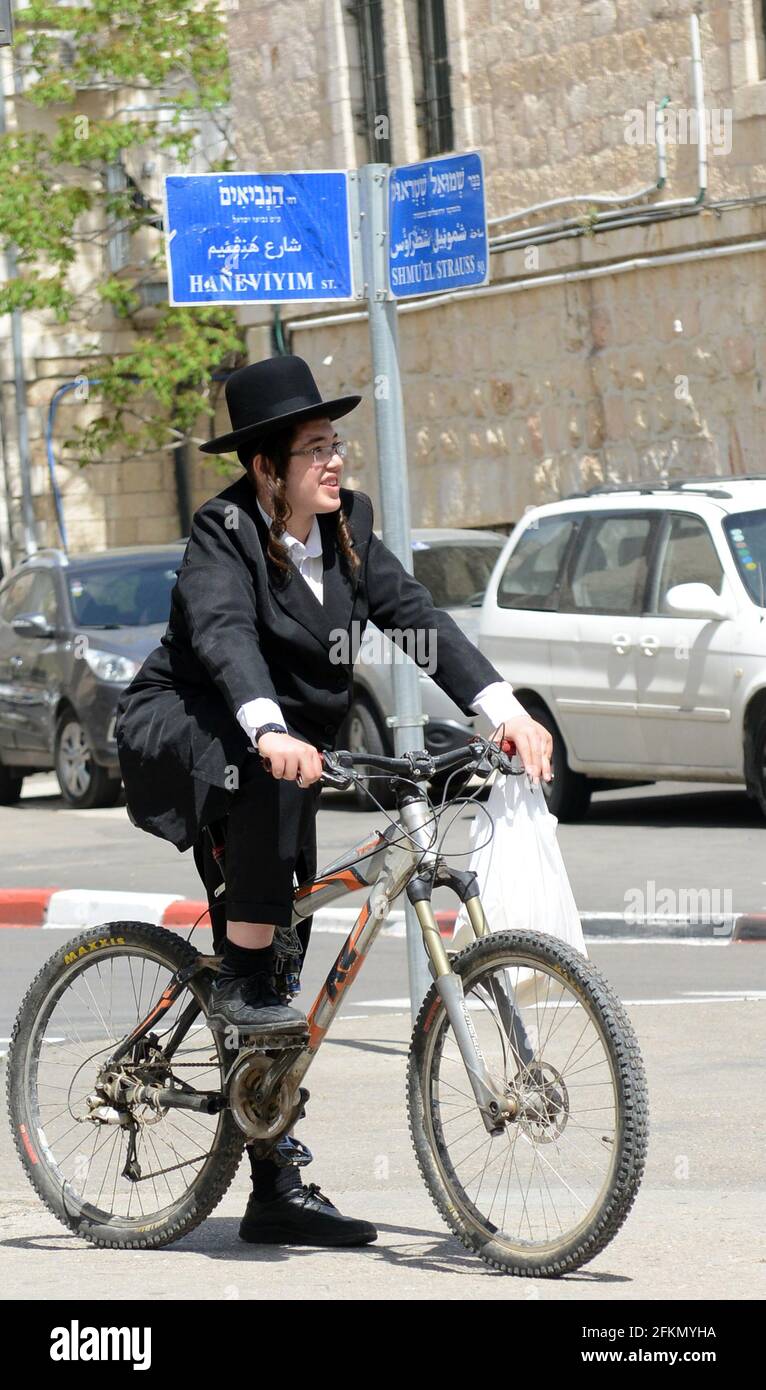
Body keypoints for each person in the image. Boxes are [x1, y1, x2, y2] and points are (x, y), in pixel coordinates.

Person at [115, 354, 552, 1249]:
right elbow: (224, 634)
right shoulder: (223, 530)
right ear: (265, 465)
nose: (334, 461)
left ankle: (273, 1180)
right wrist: (270, 729)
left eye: (336, 443)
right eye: (314, 448)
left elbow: (414, 616)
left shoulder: (347, 528)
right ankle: (234, 980)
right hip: (201, 728)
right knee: (259, 924)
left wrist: (503, 711)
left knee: (291, 948)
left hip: (291, 758)